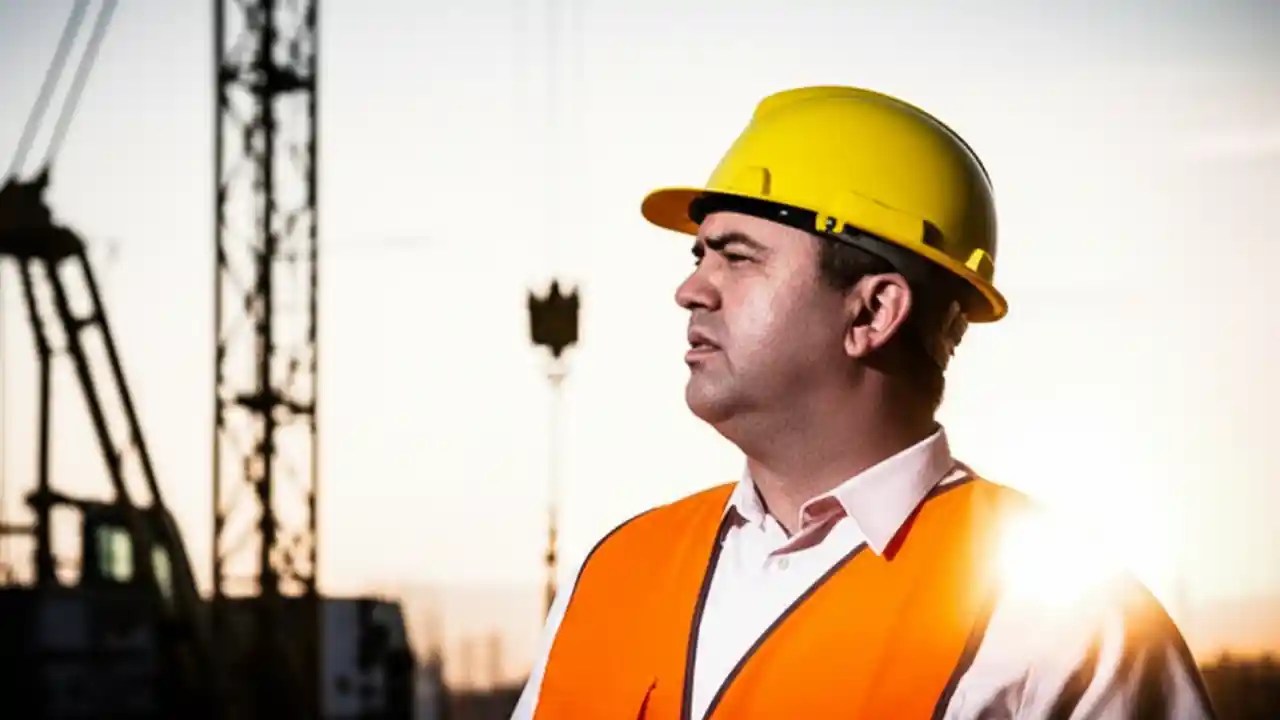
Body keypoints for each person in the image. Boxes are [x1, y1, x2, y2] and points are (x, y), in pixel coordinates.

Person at [511, 86, 1215, 719]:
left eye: (737, 256)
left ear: (872, 312)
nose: (691, 290)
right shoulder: (617, 572)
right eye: (697, 257)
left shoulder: (1064, 628)